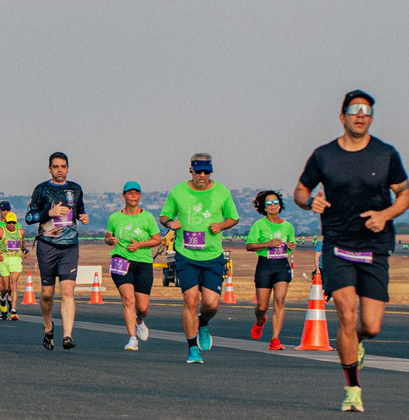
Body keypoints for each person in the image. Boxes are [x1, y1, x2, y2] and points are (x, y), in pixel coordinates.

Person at [295, 90, 409, 412]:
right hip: (338, 243)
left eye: (366, 111)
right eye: (354, 109)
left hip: (375, 246)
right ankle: (352, 388)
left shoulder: (385, 154)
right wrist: (309, 202)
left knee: (370, 326)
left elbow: (404, 194)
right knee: (346, 313)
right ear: (342, 116)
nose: (360, 115)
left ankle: (356, 343)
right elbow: (300, 190)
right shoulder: (324, 155)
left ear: (371, 118)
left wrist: (385, 215)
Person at [158, 154, 238, 364]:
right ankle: (193, 348)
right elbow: (164, 215)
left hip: (212, 256)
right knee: (190, 301)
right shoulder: (178, 191)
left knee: (211, 305)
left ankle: (203, 322)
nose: (202, 176)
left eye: (206, 172)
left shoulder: (221, 192)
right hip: (186, 255)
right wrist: (169, 224)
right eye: (198, 171)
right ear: (190, 171)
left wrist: (221, 225)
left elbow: (233, 217)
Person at [26, 153, 88, 350]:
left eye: (63, 166)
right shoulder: (41, 189)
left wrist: (83, 217)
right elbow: (29, 217)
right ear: (49, 168)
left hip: (69, 246)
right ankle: (48, 328)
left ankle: (68, 335)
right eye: (56, 166)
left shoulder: (75, 189)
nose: (59, 170)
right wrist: (48, 213)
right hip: (47, 245)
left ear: (68, 168)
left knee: (68, 291)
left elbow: (79, 210)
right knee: (47, 294)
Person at [104, 181, 161, 349]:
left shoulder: (147, 217)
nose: (133, 196)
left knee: (142, 307)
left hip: (143, 263)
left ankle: (140, 320)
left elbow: (157, 239)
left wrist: (139, 245)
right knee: (128, 299)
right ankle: (132, 339)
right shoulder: (115, 217)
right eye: (130, 193)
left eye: (136, 193)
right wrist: (110, 240)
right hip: (121, 261)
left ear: (140, 196)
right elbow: (107, 237)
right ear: (124, 196)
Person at [244, 191, 296, 349]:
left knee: (280, 301)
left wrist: (291, 246)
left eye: (275, 203)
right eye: (268, 204)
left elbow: (290, 243)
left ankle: (275, 339)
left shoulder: (288, 226)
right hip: (265, 266)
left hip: (281, 265)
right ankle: (260, 320)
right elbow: (249, 246)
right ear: (264, 207)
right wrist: (267, 244)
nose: (272, 206)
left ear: (280, 205)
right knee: (262, 306)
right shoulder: (259, 225)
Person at [0, 203, 27, 319]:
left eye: (13, 222)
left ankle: (13, 310)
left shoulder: (20, 230)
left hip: (15, 259)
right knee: (5, 287)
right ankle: (2, 298)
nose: (11, 224)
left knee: (13, 284)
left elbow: (22, 244)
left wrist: (25, 250)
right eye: (9, 222)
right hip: (2, 259)